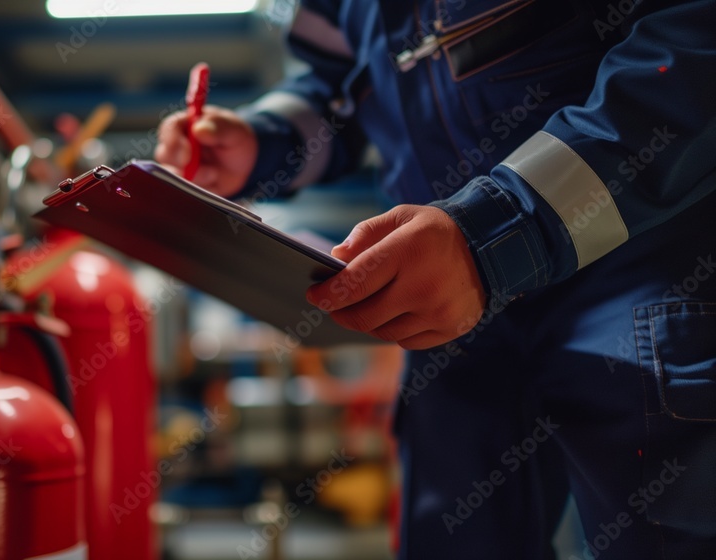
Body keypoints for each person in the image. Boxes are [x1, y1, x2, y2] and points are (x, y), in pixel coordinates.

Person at [154, 0, 716, 558]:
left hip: (636, 279)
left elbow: (692, 46)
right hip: (451, 319)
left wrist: (494, 232)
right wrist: (263, 140)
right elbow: (337, 85)